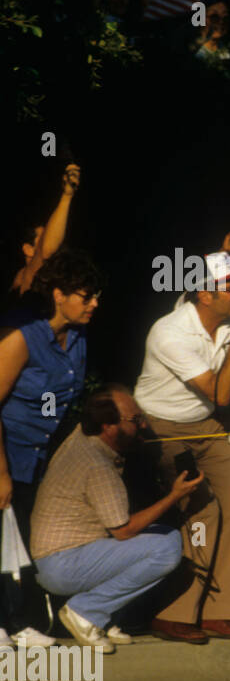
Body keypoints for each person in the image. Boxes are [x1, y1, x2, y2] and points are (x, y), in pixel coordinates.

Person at [133, 255, 230, 643]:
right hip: (164, 428)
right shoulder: (171, 332)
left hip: (205, 426)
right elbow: (221, 393)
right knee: (204, 513)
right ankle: (178, 611)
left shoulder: (222, 322)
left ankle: (220, 611)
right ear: (205, 294)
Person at [29, 387, 194, 653]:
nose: (143, 425)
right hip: (63, 565)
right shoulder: (97, 465)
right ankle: (85, 612)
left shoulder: (82, 438)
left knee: (161, 533)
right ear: (108, 426)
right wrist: (174, 495)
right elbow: (124, 531)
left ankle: (104, 618)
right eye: (134, 420)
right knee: (167, 547)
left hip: (63, 557)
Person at [0, 251, 99, 648]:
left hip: (39, 457)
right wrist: (2, 473)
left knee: (19, 540)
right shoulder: (23, 338)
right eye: (86, 295)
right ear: (59, 294)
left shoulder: (77, 340)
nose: (94, 304)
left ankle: (18, 622)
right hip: (7, 453)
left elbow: (56, 403)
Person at [11, 164, 80, 300]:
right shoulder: (27, 275)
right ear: (28, 249)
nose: (52, 237)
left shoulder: (45, 276)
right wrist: (67, 196)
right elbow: (45, 251)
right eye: (43, 237)